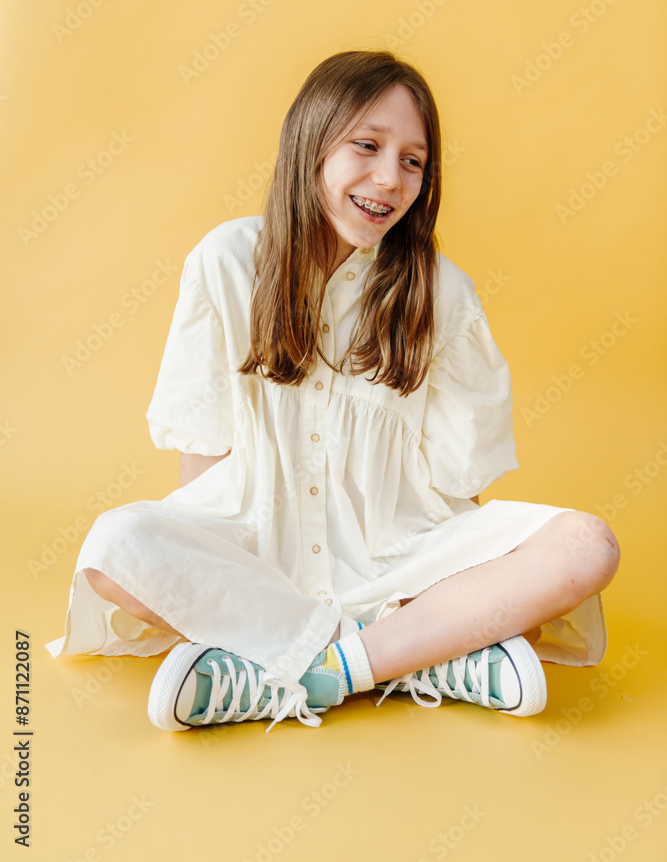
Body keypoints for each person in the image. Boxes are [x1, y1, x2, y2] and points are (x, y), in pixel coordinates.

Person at [46, 50, 620, 734]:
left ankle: (295, 672)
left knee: (587, 544)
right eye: (367, 146)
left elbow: (459, 486)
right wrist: (196, 560)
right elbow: (202, 449)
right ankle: (423, 658)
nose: (389, 177)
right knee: (116, 547)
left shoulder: (443, 294)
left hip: (398, 560)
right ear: (310, 142)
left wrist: (465, 582)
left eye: (413, 160)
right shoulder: (228, 260)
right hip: (260, 559)